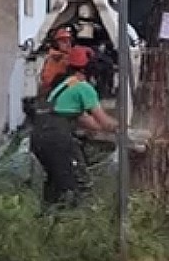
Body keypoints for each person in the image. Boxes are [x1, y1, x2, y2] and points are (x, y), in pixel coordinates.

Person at [30, 45, 119, 208]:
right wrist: (124, 128)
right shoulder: (84, 88)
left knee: (56, 183)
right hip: (57, 138)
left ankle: (47, 221)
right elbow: (104, 122)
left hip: (39, 137)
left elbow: (88, 122)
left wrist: (106, 130)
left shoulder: (66, 85)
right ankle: (79, 222)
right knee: (81, 184)